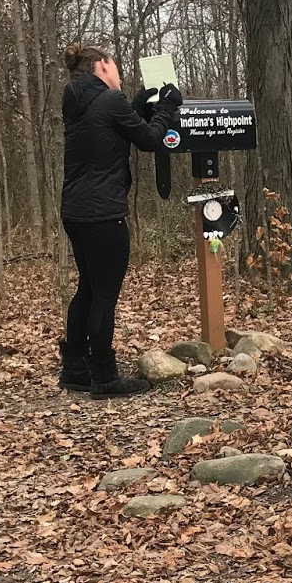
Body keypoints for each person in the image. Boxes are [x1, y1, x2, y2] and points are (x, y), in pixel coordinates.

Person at [57, 43, 183, 397]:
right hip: (104, 213)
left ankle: (74, 368)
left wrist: (141, 104)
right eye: (115, 68)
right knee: (104, 297)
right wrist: (168, 105)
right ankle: (106, 377)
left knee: (87, 288)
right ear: (101, 66)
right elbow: (149, 139)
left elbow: (114, 128)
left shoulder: (76, 102)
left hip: (76, 212)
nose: (120, 75)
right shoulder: (109, 102)